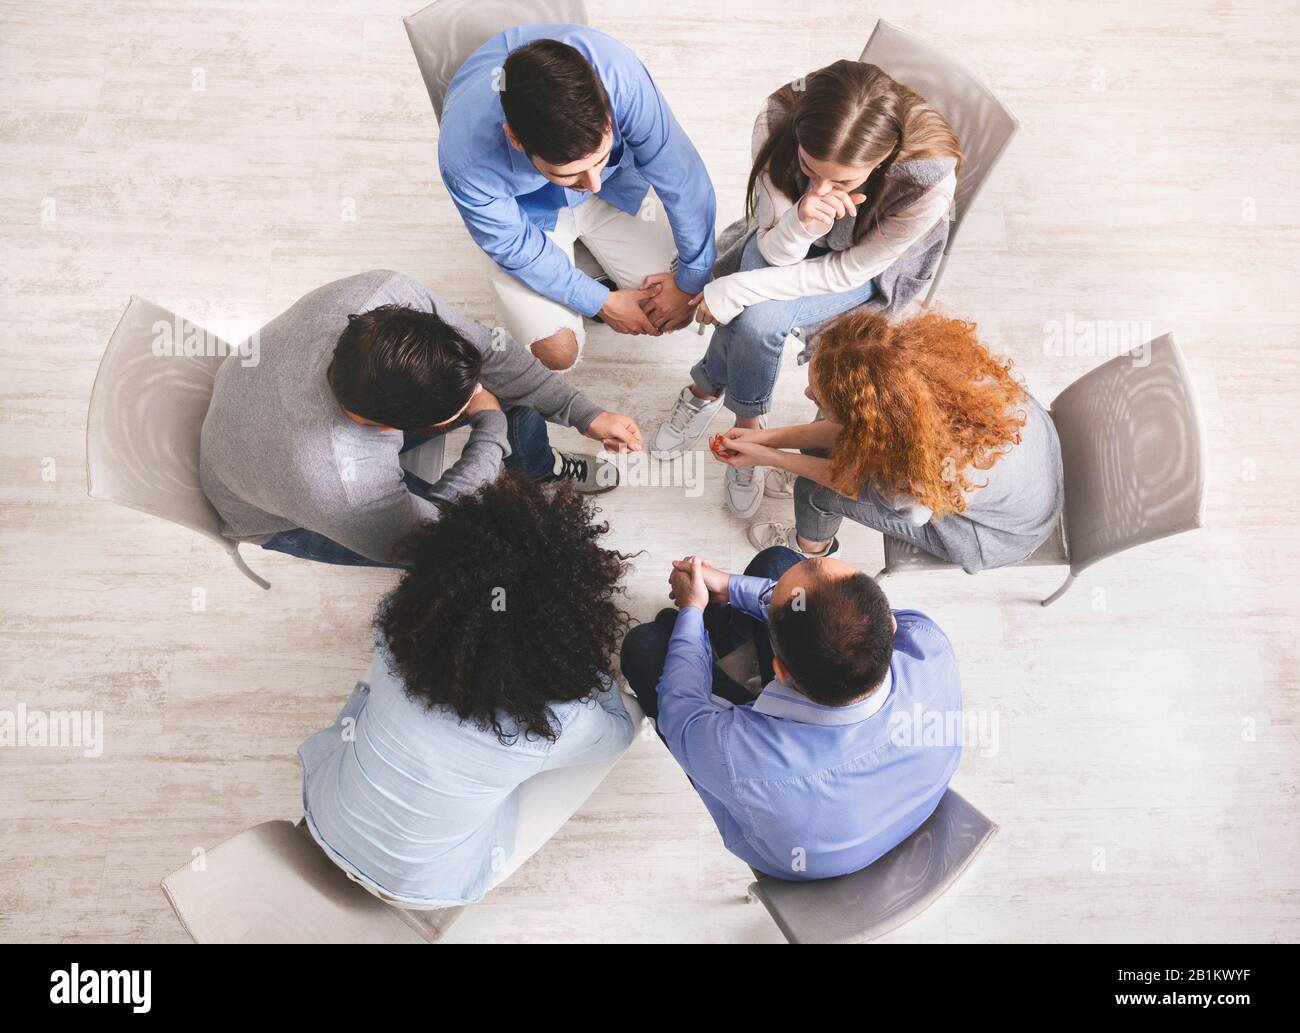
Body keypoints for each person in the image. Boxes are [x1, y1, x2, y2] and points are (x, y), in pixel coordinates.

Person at [300, 475, 641, 908]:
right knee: (629, 713)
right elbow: (619, 730)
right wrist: (588, 672)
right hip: (422, 888)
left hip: (325, 821)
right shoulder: (556, 722)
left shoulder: (397, 627)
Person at [651, 60, 960, 519]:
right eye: (809, 169)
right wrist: (801, 221)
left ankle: (709, 393)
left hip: (867, 270)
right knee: (756, 306)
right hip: (784, 243)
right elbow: (774, 249)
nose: (822, 187)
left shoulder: (927, 180)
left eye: (843, 181)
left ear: (882, 160)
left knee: (756, 317)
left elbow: (849, 271)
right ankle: (748, 426)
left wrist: (736, 287)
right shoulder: (777, 119)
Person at [200, 269, 642, 568]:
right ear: (395, 429)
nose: (477, 391)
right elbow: (433, 536)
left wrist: (586, 413)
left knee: (507, 393)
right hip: (280, 513)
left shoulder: (384, 294)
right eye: (463, 400)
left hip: (258, 403)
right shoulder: (344, 485)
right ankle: (508, 462)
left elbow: (490, 352)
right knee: (471, 551)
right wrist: (490, 429)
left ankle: (535, 468)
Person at [619, 547, 962, 881]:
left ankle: (703, 634)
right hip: (908, 802)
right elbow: (840, 622)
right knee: (777, 562)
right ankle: (715, 634)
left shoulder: (735, 757)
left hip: (803, 864)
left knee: (645, 646)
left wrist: (691, 610)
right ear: (890, 625)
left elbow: (681, 709)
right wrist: (728, 585)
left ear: (779, 672)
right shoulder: (927, 643)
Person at [437, 24, 717, 370]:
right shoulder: (464, 159)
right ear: (515, 139)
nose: (593, 183)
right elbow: (514, 246)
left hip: (622, 187)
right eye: (568, 173)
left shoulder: (621, 78)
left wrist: (691, 278)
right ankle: (580, 268)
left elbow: (681, 176)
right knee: (556, 353)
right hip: (527, 219)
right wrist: (600, 302)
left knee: (676, 311)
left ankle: (581, 258)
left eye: (599, 159)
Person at [722, 309, 1065, 574]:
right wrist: (767, 439)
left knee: (814, 493)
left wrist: (769, 457)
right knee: (817, 444)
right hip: (1030, 465)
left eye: (819, 396)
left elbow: (855, 483)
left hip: (997, 534)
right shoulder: (917, 367)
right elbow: (849, 431)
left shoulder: (926, 472)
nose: (807, 393)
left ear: (867, 418)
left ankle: (810, 553)